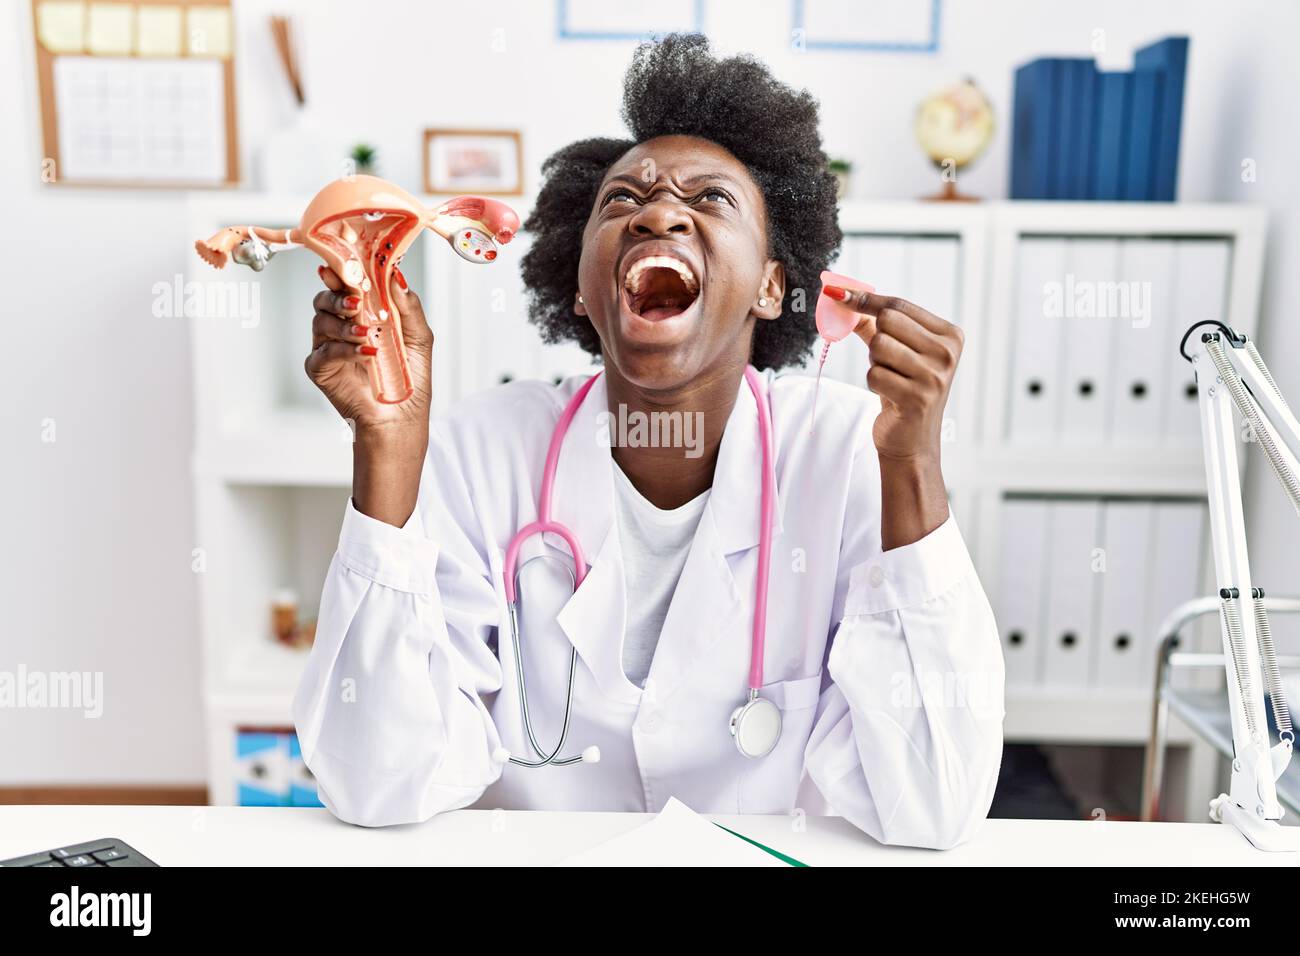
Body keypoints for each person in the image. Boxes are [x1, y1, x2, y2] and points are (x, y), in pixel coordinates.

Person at [292, 33, 1004, 848]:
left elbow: (934, 804)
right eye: (623, 201)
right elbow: (376, 780)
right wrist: (384, 447)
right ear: (584, 287)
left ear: (773, 285)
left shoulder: (855, 452)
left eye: (710, 201)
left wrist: (913, 460)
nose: (659, 212)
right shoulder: (475, 450)